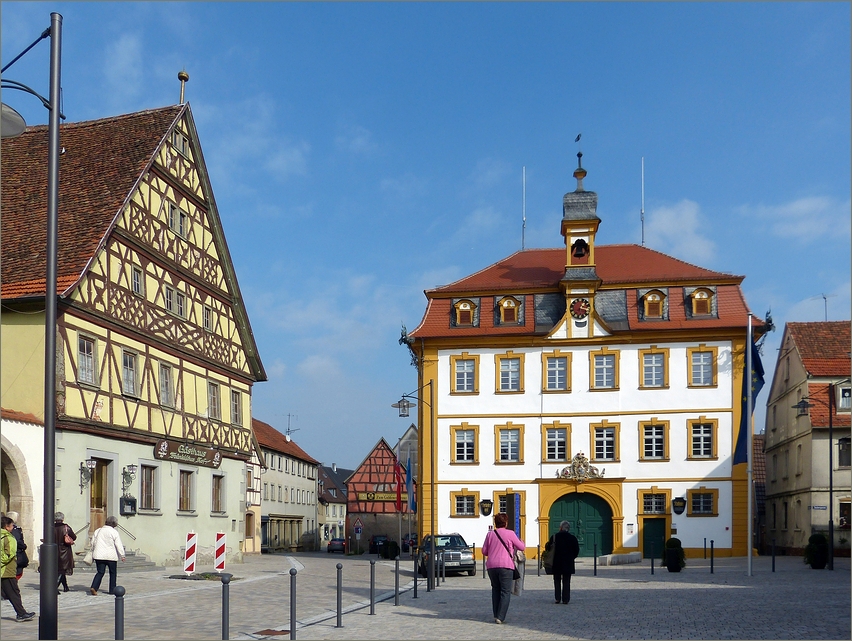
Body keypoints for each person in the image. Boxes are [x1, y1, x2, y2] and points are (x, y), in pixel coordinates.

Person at [481, 512, 525, 625]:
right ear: (506, 522)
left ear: (495, 523)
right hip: (506, 566)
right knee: (505, 592)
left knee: (495, 590)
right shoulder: (510, 533)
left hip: (492, 566)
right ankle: (500, 617)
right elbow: (521, 547)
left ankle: (496, 614)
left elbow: (484, 551)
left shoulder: (490, 534)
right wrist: (520, 541)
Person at [1, 516, 35, 621]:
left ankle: (21, 613)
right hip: (7, 569)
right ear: (7, 527)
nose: (13, 527)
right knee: (13, 592)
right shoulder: (9, 537)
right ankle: (21, 613)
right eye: (11, 526)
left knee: (8, 592)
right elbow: (10, 553)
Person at [89, 516, 125, 596]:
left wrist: (94, 550)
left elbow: (93, 542)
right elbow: (118, 544)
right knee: (112, 573)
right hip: (111, 556)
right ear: (114, 524)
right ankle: (112, 590)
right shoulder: (114, 532)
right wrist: (122, 555)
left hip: (99, 555)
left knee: (100, 572)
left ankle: (94, 587)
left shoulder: (98, 531)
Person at [551, 520, 580, 604]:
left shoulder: (555, 537)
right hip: (568, 562)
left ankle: (557, 598)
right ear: (568, 528)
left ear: (560, 528)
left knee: (557, 580)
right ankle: (565, 599)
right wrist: (571, 557)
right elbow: (576, 550)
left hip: (557, 562)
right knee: (566, 581)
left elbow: (548, 547)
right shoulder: (572, 538)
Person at [55, 512, 76, 593]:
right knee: (62, 570)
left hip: (53, 551)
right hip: (64, 550)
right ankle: (54, 587)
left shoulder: (50, 527)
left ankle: (66, 587)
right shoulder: (66, 527)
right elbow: (74, 537)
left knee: (60, 570)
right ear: (62, 519)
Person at [5, 512, 28, 581]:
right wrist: (24, 546)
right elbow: (18, 541)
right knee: (17, 573)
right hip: (16, 553)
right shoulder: (15, 529)